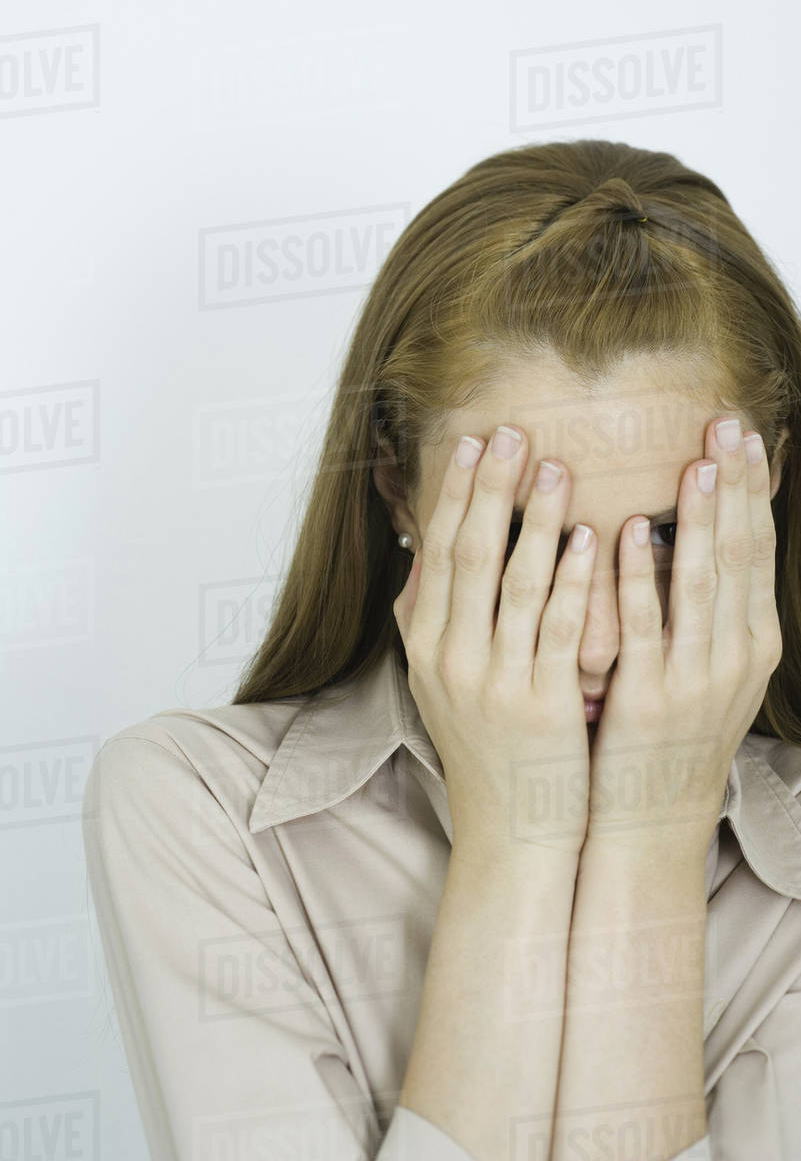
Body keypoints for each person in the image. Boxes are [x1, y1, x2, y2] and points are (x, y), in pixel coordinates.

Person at [83, 139, 801, 1161]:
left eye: (665, 538)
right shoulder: (199, 812)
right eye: (523, 539)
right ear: (395, 486)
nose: (598, 641)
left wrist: (654, 835)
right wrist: (517, 836)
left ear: (767, 490)